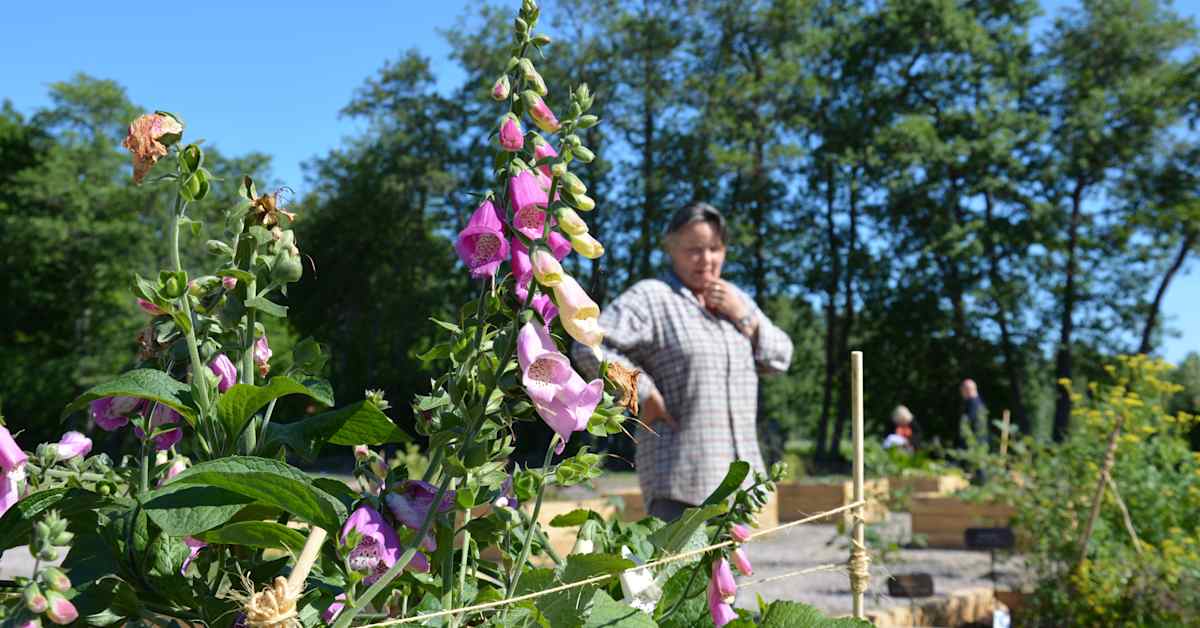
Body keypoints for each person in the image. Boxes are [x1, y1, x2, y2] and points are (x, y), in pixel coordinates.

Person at [572, 203, 794, 522]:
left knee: (730, 572)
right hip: (681, 481)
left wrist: (744, 316)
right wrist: (641, 392)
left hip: (739, 486)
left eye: (715, 249)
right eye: (694, 250)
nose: (706, 260)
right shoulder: (652, 297)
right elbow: (588, 344)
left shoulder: (734, 300)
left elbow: (781, 357)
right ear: (671, 248)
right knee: (679, 571)